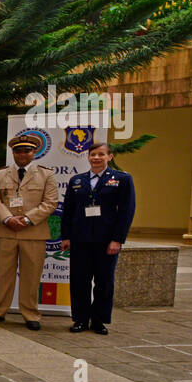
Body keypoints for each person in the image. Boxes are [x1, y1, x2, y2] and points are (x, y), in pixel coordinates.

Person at [62, 142, 136, 336]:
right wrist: (66, 236)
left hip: (106, 241)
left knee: (104, 282)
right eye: (93, 154)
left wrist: (117, 240)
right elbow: (68, 211)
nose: (96, 158)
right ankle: (80, 319)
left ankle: (98, 320)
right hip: (80, 240)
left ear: (109, 157)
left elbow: (126, 212)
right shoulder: (77, 180)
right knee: (80, 281)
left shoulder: (122, 179)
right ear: (88, 157)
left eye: (101, 154)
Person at [0, 133, 59, 331]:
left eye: (26, 150)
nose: (22, 154)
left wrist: (27, 219)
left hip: (34, 232)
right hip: (5, 230)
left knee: (31, 275)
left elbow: (50, 202)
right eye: (18, 151)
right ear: (12, 153)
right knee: (1, 274)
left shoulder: (47, 175)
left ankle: (30, 314)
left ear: (34, 152)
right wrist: (8, 219)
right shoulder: (0, 175)